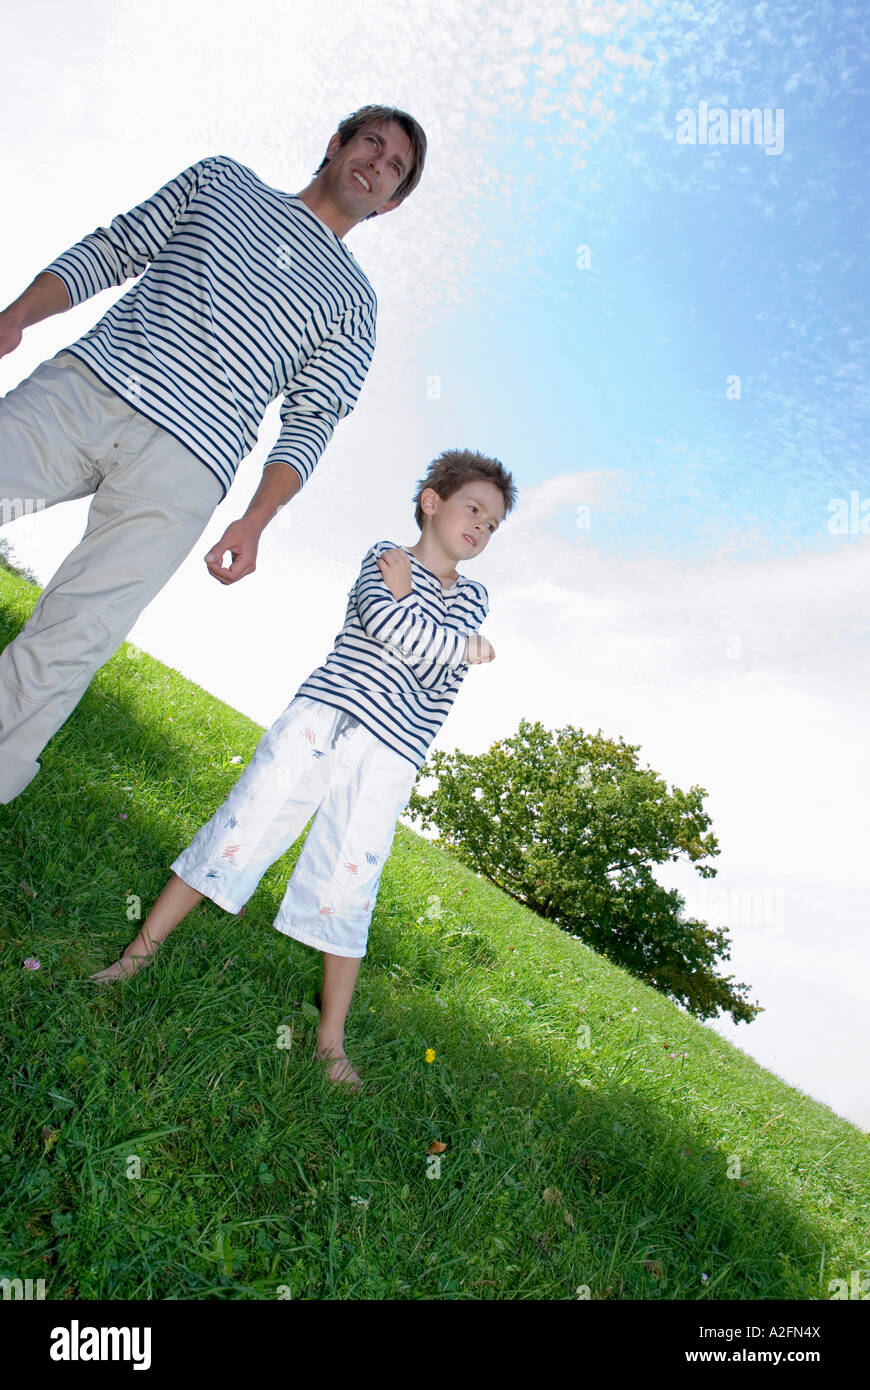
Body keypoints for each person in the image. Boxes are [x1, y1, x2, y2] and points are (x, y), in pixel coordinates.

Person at [0, 105, 426, 804]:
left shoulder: (355, 305)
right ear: (336, 144)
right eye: (372, 144)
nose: (377, 164)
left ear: (390, 202)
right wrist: (18, 313)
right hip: (86, 392)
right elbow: (113, 249)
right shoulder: (221, 181)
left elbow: (311, 421)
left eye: (394, 168)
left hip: (185, 470)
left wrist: (254, 520)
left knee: (78, 632)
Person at [90, 449, 518, 1093]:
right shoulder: (386, 558)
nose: (480, 528)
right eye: (473, 509)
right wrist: (449, 643)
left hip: (391, 752)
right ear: (432, 501)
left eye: (492, 524)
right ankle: (136, 956)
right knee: (239, 827)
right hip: (322, 721)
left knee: (351, 880)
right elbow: (392, 625)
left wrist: (436, 640)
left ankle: (329, 1040)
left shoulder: (473, 595)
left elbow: (431, 662)